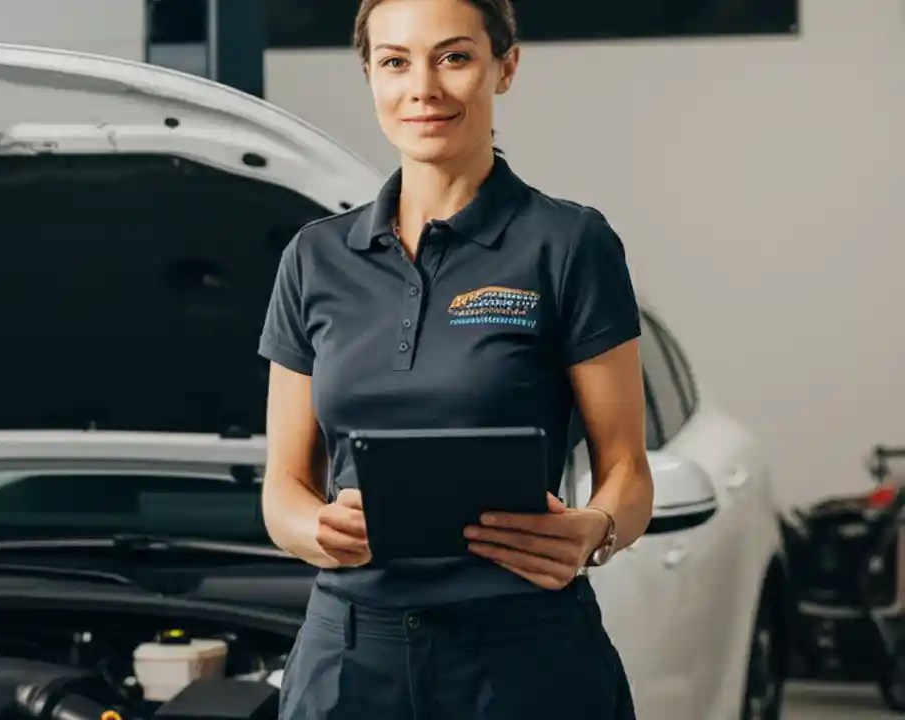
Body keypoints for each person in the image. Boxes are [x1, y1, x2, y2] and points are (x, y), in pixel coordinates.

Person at [256, 0, 654, 717]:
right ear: (370, 75)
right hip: (349, 658)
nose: (424, 89)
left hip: (526, 657)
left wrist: (593, 531)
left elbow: (626, 468)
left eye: (455, 56)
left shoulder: (568, 245)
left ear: (505, 67)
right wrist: (316, 530)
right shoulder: (315, 258)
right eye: (395, 61)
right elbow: (283, 489)